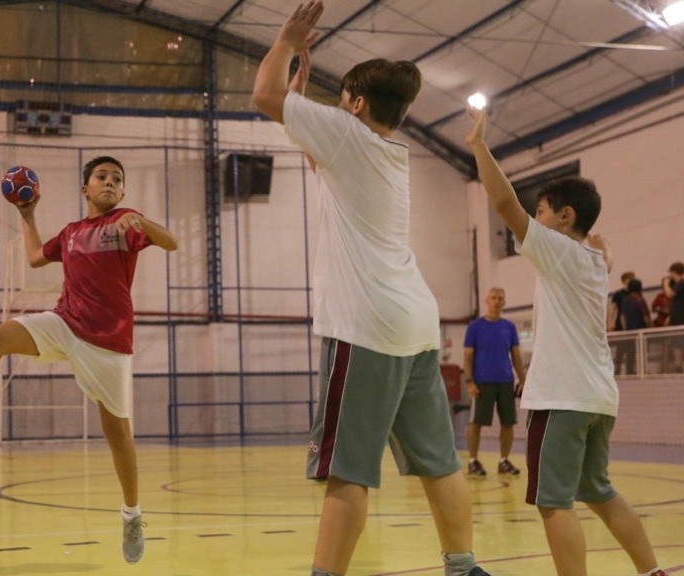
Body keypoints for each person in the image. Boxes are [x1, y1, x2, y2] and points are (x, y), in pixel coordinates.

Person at [253, 3, 489, 575]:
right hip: (415, 325)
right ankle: (464, 567)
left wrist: (286, 41)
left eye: (342, 99)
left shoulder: (346, 133)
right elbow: (320, 160)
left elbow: (264, 95)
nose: (336, 107)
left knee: (347, 468)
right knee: (439, 463)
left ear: (356, 103)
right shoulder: (389, 152)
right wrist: (301, 105)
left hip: (366, 328)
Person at [0, 156, 177, 564]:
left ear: (123, 193)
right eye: (102, 177)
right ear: (85, 189)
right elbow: (34, 258)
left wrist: (142, 223)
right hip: (64, 321)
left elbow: (170, 241)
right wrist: (29, 215)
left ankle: (132, 515)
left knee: (118, 435)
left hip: (108, 344)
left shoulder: (125, 223)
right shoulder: (70, 233)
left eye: (117, 179)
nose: (110, 183)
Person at [465, 107, 667, 576]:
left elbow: (503, 204)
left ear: (565, 217)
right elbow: (604, 250)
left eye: (542, 212)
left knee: (553, 502)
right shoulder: (593, 260)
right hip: (598, 397)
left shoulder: (558, 250)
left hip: (563, 397)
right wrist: (604, 246)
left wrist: (478, 145)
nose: (534, 219)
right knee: (598, 490)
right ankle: (652, 571)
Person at [463, 287, 526, 477]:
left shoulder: (509, 327)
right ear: (486, 301)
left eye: (500, 298)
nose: (496, 301)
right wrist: (469, 381)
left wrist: (523, 379)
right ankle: (473, 462)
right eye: (493, 298)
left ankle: (504, 461)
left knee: (508, 423)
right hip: (482, 383)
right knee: (476, 423)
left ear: (504, 302)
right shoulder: (474, 327)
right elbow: (467, 357)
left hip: (505, 382)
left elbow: (515, 356)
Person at [607, 271, 635, 376]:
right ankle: (617, 370)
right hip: (620, 325)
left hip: (632, 324)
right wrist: (609, 323)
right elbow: (612, 308)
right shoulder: (619, 294)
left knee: (632, 350)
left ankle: (630, 370)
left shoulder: (635, 294)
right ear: (624, 282)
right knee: (620, 350)